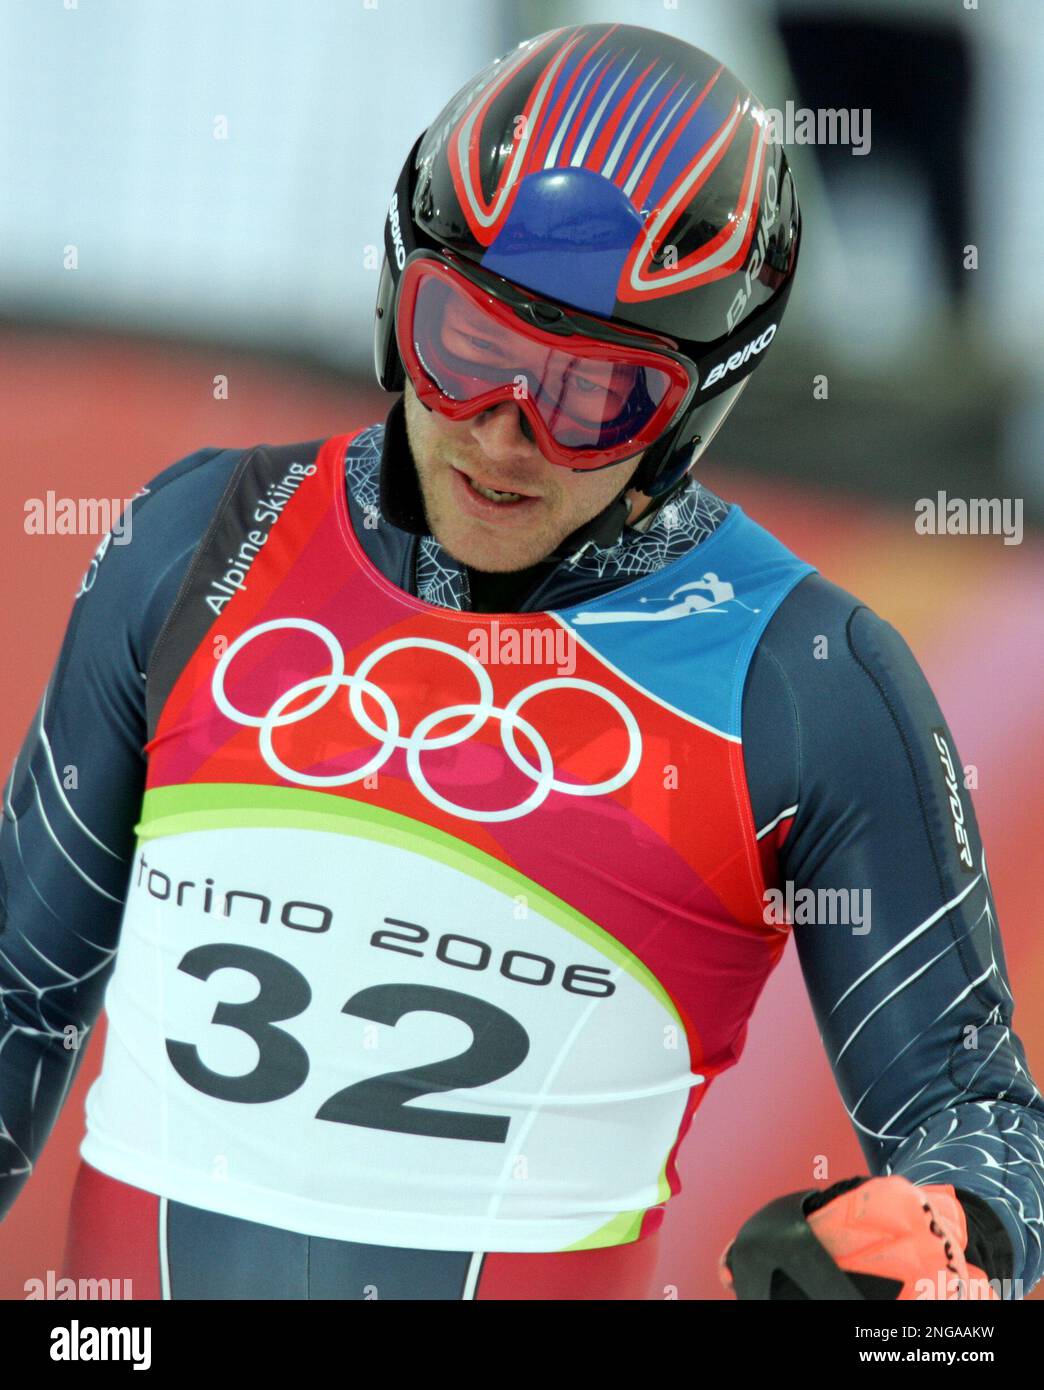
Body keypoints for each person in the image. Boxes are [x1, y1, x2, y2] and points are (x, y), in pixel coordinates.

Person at [1, 21, 1041, 1302]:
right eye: (470, 347)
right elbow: (15, 995)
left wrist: (937, 1242)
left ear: (702, 404)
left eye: (596, 393)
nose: (506, 437)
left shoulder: (810, 673)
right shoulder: (197, 537)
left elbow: (980, 1121)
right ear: (398, 293)